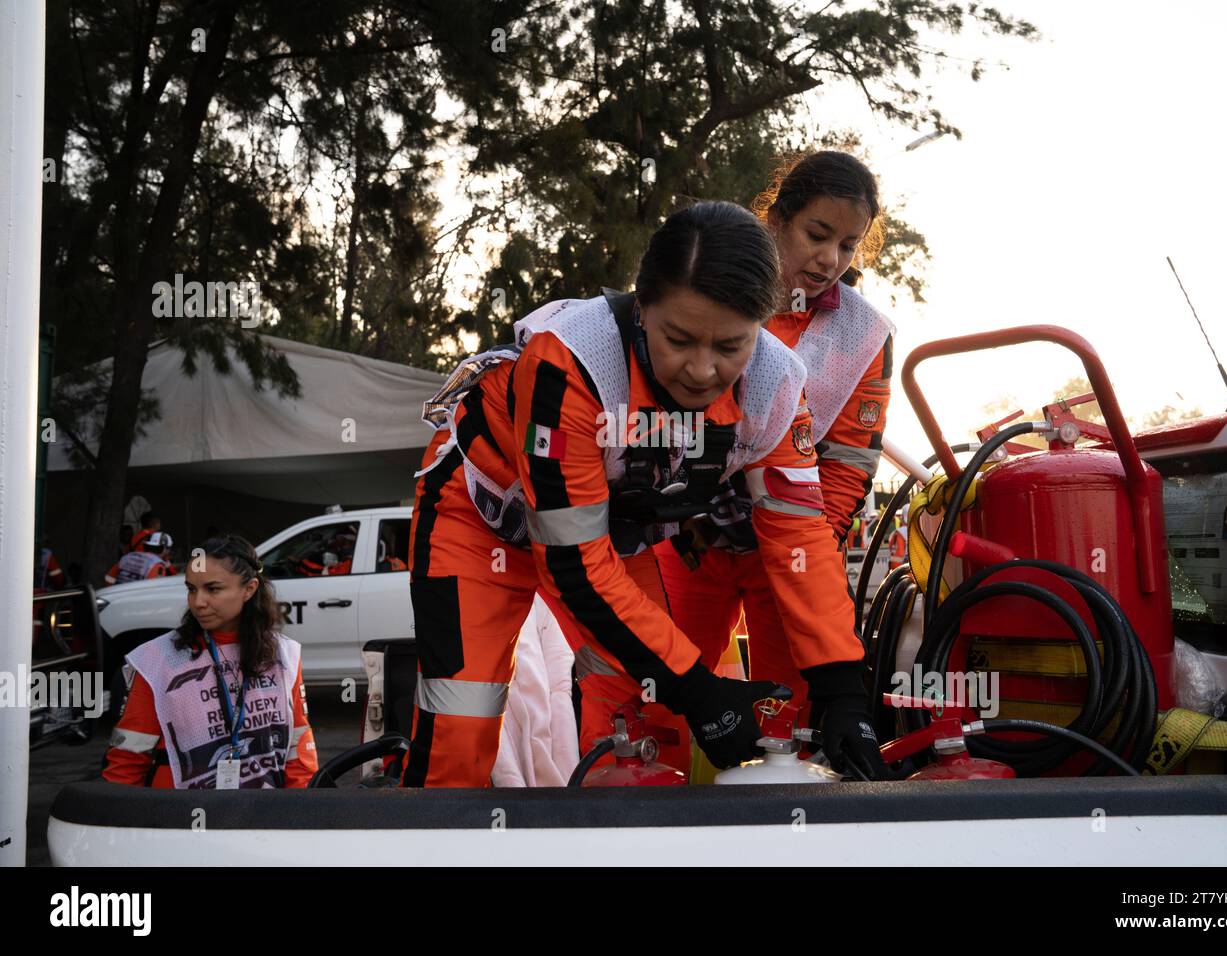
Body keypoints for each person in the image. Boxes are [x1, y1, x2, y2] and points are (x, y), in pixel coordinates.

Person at [404, 200, 883, 786]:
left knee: (648, 714)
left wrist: (841, 685)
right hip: (483, 519)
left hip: (610, 531)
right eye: (679, 339)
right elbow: (573, 566)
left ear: (761, 327)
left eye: (730, 346)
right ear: (641, 309)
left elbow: (799, 539)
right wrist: (701, 691)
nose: (702, 371)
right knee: (462, 717)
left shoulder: (777, 384)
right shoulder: (573, 361)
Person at [654, 150, 896, 713]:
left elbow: (847, 463)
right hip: (688, 543)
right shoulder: (705, 285)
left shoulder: (866, 334)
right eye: (817, 233)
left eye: (848, 245)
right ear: (776, 219)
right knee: (657, 701)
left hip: (792, 550)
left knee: (787, 720)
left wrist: (799, 557)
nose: (829, 258)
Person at [103, 534, 317, 788]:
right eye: (191, 589)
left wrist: (300, 812)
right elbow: (129, 755)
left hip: (260, 816)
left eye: (213, 589)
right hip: (175, 818)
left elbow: (297, 746)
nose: (198, 602)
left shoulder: (284, 654)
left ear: (249, 589)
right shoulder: (157, 659)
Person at [105, 531, 176, 584]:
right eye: (169, 549)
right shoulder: (157, 565)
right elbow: (153, 590)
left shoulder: (127, 557)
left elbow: (109, 578)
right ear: (164, 549)